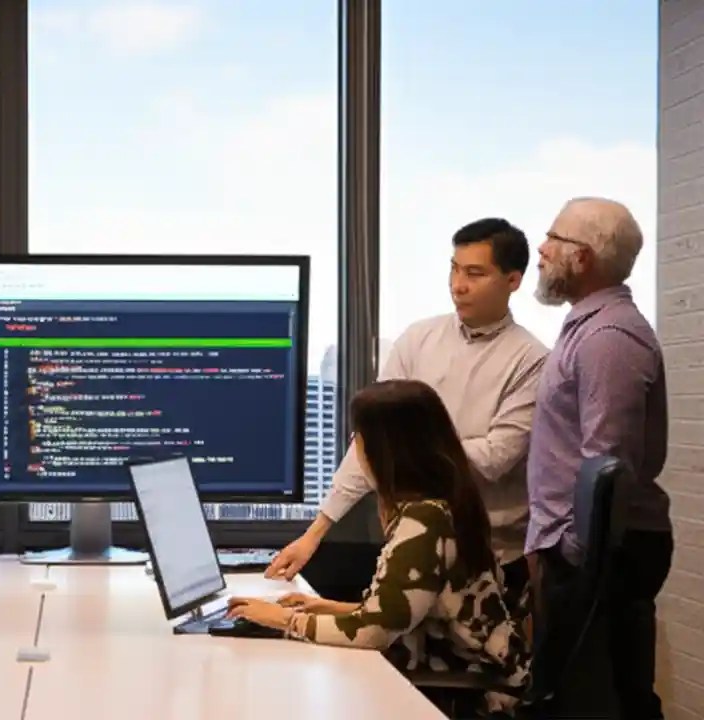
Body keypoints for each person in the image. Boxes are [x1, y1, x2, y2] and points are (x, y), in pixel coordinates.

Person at [268, 218, 549, 609]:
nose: (458, 285)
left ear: (513, 280)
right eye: (454, 268)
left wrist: (406, 448)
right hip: (413, 548)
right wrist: (316, 531)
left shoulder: (532, 360)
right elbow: (369, 442)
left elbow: (495, 458)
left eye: (474, 273)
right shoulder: (418, 339)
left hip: (489, 558)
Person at [230, 379, 531, 717]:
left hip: (470, 694)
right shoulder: (442, 504)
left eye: (358, 438)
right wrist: (321, 606)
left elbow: (375, 632)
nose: (356, 449)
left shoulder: (424, 522)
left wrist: (284, 619)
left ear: (386, 450)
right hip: (458, 672)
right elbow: (403, 612)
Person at [527, 197, 672, 719]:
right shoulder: (587, 326)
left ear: (582, 257)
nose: (540, 250)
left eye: (551, 238)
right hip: (586, 549)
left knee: (598, 704)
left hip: (598, 554)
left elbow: (607, 465)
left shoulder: (609, 338)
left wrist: (568, 553)